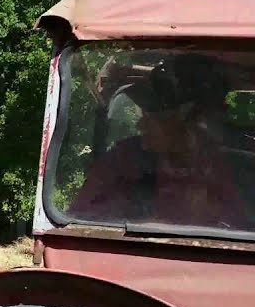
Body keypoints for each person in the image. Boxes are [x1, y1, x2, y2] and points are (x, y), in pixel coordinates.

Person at [70, 54, 249, 229]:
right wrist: (142, 226)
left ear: (190, 118)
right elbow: (79, 220)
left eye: (152, 116)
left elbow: (241, 236)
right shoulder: (123, 160)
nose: (140, 124)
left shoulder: (232, 170)